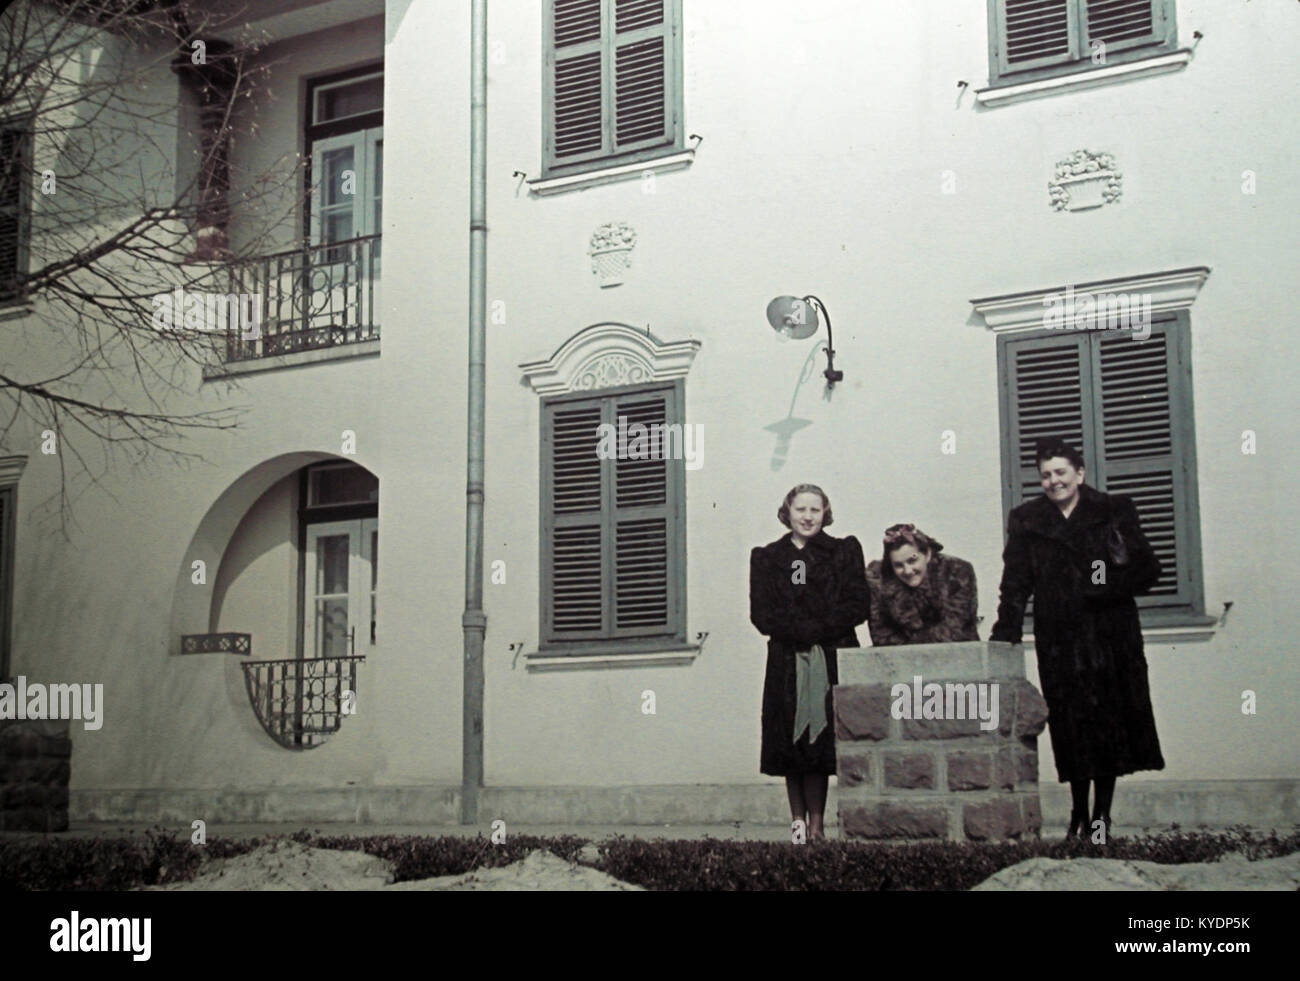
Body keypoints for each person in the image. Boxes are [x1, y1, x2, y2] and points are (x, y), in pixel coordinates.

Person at [989, 437, 1165, 840]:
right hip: (1059, 636)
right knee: (1070, 725)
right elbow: (1016, 580)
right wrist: (1007, 627)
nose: (1054, 481)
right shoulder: (1027, 519)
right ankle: (1077, 816)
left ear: (1079, 473)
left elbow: (1146, 568)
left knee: (1108, 725)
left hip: (1108, 635)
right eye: (1046, 475)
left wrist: (1101, 583)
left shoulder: (1112, 510)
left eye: (1061, 473)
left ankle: (1100, 819)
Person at [750, 483, 870, 840]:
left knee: (819, 744)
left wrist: (818, 629)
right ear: (787, 512)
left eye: (815, 510)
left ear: (826, 513)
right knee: (792, 742)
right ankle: (798, 827)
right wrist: (797, 631)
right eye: (800, 509)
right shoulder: (768, 557)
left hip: (829, 657)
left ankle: (818, 826)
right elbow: (762, 614)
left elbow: (857, 604)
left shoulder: (842, 551)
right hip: (788, 661)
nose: (807, 516)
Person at [865, 524, 979, 645]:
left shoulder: (956, 572)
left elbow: (955, 627)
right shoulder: (878, 580)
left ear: (928, 554)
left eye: (912, 560)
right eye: (898, 565)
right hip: (901, 659)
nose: (908, 571)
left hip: (958, 653)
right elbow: (881, 633)